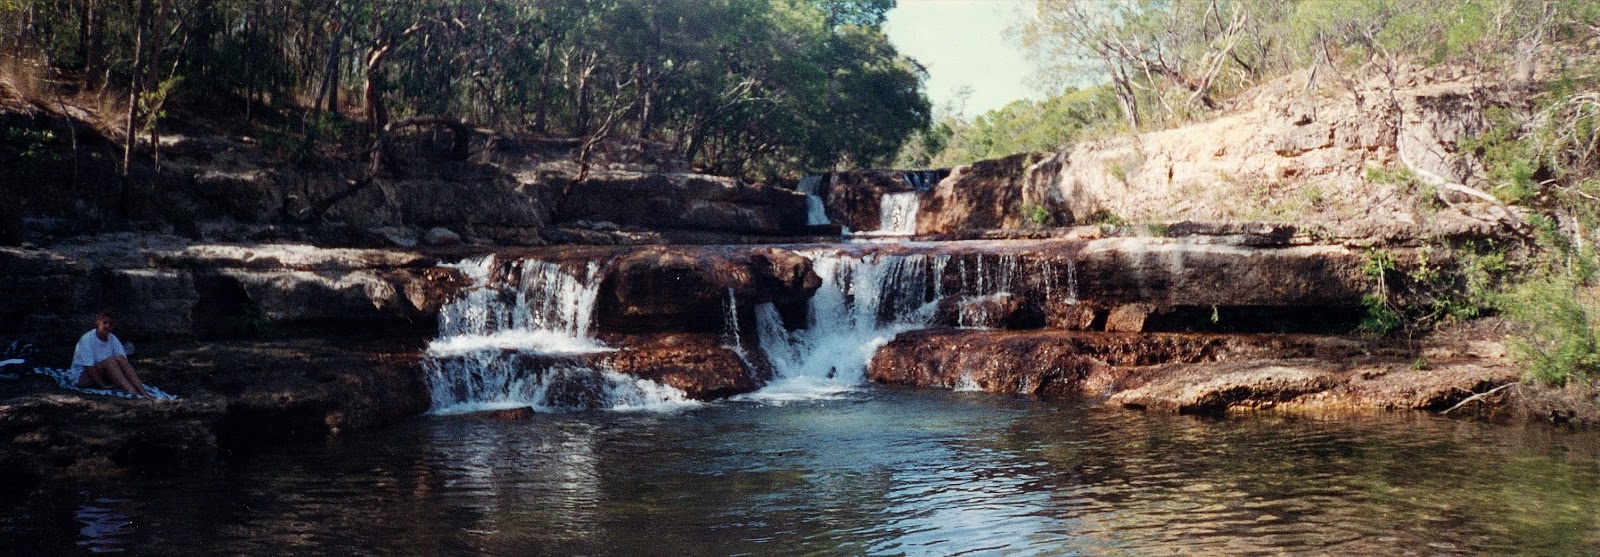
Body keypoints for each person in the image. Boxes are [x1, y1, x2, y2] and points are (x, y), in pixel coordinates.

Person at [71, 312, 150, 398]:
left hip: (104, 374)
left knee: (120, 358)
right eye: (105, 322)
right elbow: (89, 367)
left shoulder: (113, 339)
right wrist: (103, 385)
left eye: (110, 323)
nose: (107, 326)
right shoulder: (87, 339)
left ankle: (142, 391)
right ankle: (132, 391)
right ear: (98, 322)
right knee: (109, 361)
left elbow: (123, 361)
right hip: (82, 377)